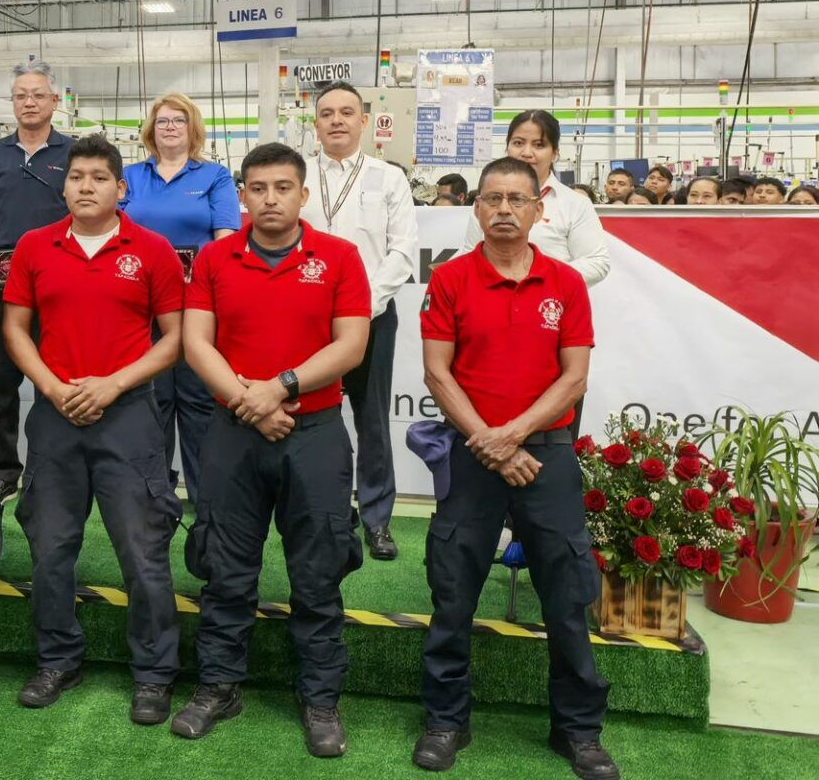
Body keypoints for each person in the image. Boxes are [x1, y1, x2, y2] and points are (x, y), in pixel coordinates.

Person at [415, 156, 616, 780]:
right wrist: (490, 441)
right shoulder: (449, 279)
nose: (504, 209)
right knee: (453, 592)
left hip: (546, 455)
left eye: (517, 199)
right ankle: (447, 720)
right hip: (474, 455)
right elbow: (436, 372)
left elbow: (574, 377)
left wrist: (516, 435)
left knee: (567, 595)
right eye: (492, 198)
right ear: (476, 208)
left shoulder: (565, 283)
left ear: (538, 210)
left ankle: (578, 731)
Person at [171, 143, 370, 757]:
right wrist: (245, 402)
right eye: (257, 188)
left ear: (303, 195)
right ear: (242, 196)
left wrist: (279, 388)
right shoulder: (214, 258)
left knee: (318, 572)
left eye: (283, 187)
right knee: (226, 568)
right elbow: (196, 343)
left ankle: (319, 699)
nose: (270, 199)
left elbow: (351, 345)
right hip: (233, 432)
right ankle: (219, 686)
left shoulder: (339, 257)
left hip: (313, 435)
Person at [2, 135, 186, 724]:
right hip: (55, 416)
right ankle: (57, 659)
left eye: (99, 178)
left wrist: (112, 385)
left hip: (128, 417)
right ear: (65, 186)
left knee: (142, 550)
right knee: (51, 548)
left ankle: (155, 674)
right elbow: (15, 330)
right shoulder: (35, 247)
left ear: (120, 188)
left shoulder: (152, 250)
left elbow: (177, 338)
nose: (86, 186)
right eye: (77, 176)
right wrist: (54, 388)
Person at [300, 82, 417, 561]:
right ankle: (322, 509)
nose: (337, 120)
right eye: (326, 113)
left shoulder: (388, 178)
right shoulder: (298, 173)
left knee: (371, 420)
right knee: (310, 419)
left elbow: (403, 251)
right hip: (305, 318)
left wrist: (357, 308)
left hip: (370, 317)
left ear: (364, 121)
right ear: (316, 123)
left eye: (347, 112)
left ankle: (376, 519)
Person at [122, 92, 240, 505]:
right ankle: (152, 503)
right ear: (150, 130)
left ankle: (207, 506)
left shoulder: (215, 177)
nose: (170, 127)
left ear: (193, 128)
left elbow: (227, 241)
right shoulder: (130, 175)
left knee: (197, 403)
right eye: (162, 121)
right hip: (139, 306)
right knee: (150, 402)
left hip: (197, 307)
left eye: (179, 120)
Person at [0, 60, 72, 503]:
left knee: (56, 376)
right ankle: (4, 469)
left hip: (59, 281)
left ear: (54, 101)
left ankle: (55, 467)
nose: (28, 102)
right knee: (0, 381)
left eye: (37, 95)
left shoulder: (73, 152)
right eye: (20, 95)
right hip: (3, 283)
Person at [461, 111, 610, 288]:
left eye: (539, 145)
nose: (526, 152)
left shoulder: (575, 204)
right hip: (491, 301)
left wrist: (539, 279)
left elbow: (597, 262)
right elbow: (470, 253)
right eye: (518, 143)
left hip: (551, 306)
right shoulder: (487, 200)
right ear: (507, 147)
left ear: (554, 153)